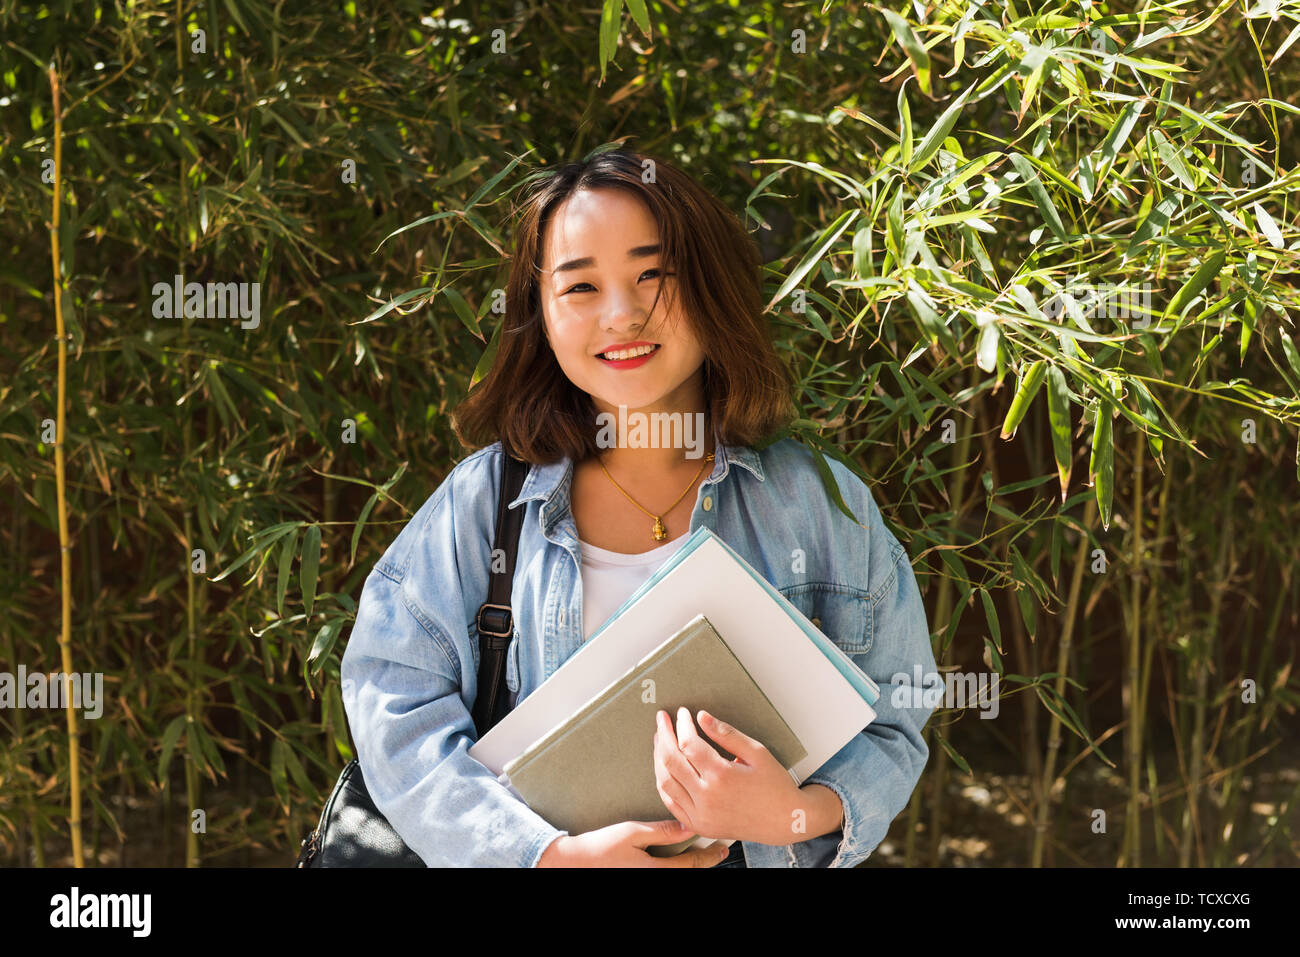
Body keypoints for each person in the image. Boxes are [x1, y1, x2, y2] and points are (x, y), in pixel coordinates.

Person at [340, 146, 938, 867]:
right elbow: (391, 700)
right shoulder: (486, 502)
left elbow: (895, 722)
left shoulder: (817, 503)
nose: (621, 315)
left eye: (652, 274)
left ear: (710, 284)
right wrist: (546, 856)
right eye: (580, 287)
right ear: (541, 315)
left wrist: (789, 813)